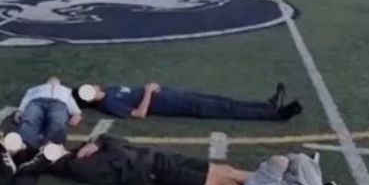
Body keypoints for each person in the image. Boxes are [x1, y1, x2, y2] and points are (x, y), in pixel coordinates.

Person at [32, 133, 254, 185]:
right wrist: (101, 144)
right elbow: (119, 153)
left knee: (221, 169)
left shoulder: (79, 152)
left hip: (156, 157)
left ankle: (266, 179)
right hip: (154, 172)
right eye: (47, 146)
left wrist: (97, 142)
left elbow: (117, 140)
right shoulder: (77, 168)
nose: (50, 142)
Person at [75, 81, 302, 121]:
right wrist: (147, 92)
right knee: (224, 109)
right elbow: (139, 114)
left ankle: (267, 106)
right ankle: (276, 115)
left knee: (224, 101)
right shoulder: (109, 103)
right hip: (172, 105)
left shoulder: (111, 90)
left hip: (172, 95)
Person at [7, 76, 82, 151]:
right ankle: (25, 144)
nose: (53, 81)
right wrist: (20, 110)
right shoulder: (36, 89)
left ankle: (52, 145)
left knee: (58, 119)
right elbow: (26, 99)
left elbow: (71, 101)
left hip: (58, 103)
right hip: (37, 102)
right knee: (30, 117)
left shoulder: (66, 90)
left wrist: (76, 113)